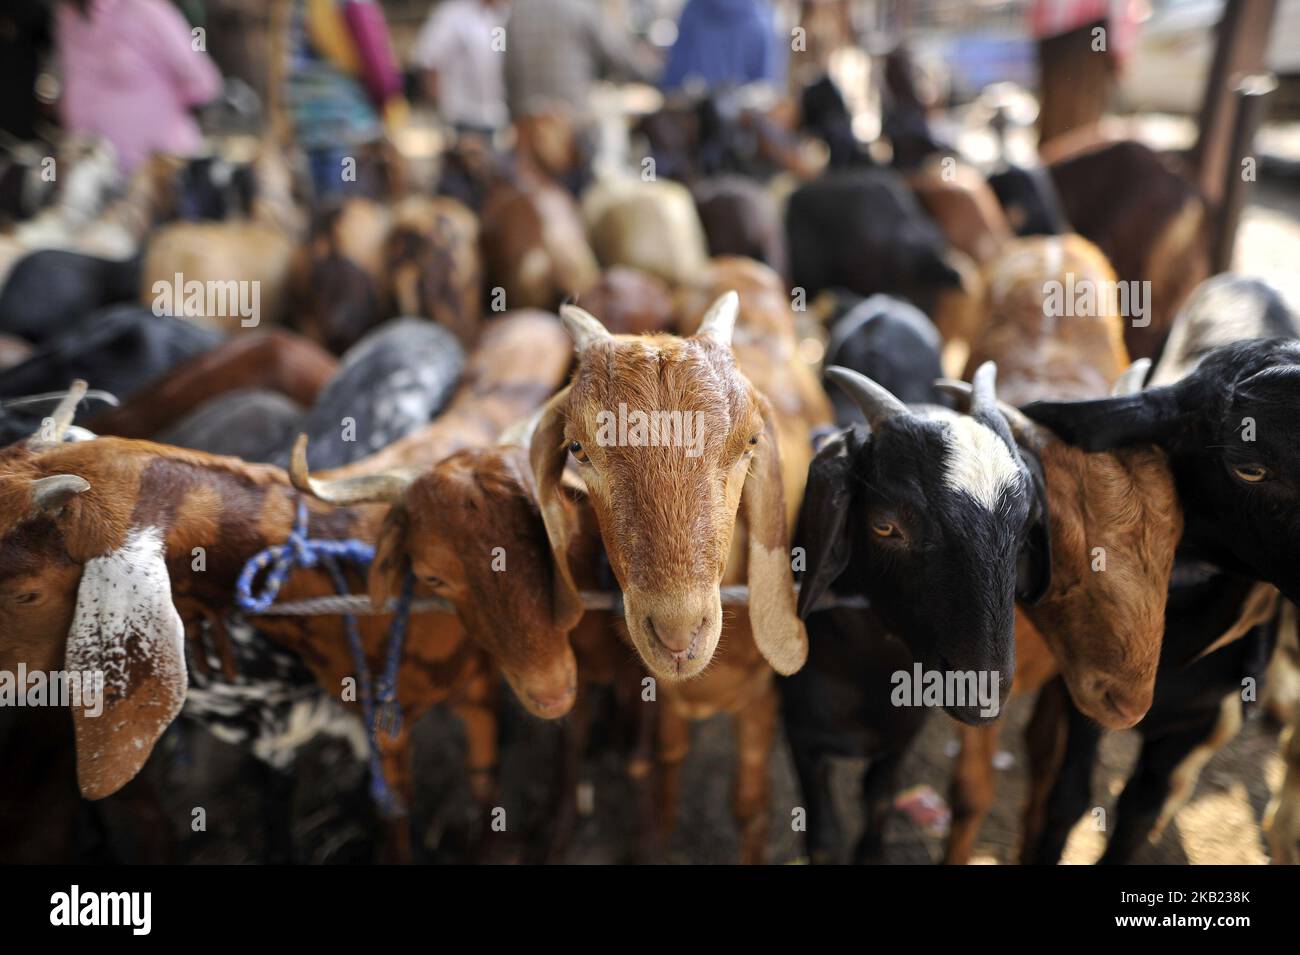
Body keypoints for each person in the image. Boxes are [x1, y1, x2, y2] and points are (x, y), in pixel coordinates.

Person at [54, 0, 222, 174]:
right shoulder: (67, 17)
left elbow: (203, 81)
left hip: (161, 170)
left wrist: (153, 109)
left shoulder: (145, 10)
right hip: (92, 170)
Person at [285, 0, 407, 199]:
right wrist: (389, 99)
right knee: (349, 197)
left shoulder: (302, 6)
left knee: (324, 199)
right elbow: (378, 68)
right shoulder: (353, 4)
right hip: (348, 129)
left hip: (309, 126)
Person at [503, 0, 653, 121]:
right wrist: (649, 74)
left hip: (526, 121)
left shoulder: (516, 11)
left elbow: (507, 70)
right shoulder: (583, 8)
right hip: (572, 119)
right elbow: (618, 56)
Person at [411, 0, 510, 136]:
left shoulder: (502, 15)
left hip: (497, 116)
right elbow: (429, 60)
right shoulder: (452, 13)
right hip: (461, 119)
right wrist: (437, 108)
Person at [660, 0, 784, 93]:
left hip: (695, 110)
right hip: (745, 114)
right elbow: (766, 87)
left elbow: (673, 79)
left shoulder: (693, 10)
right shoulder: (762, 15)